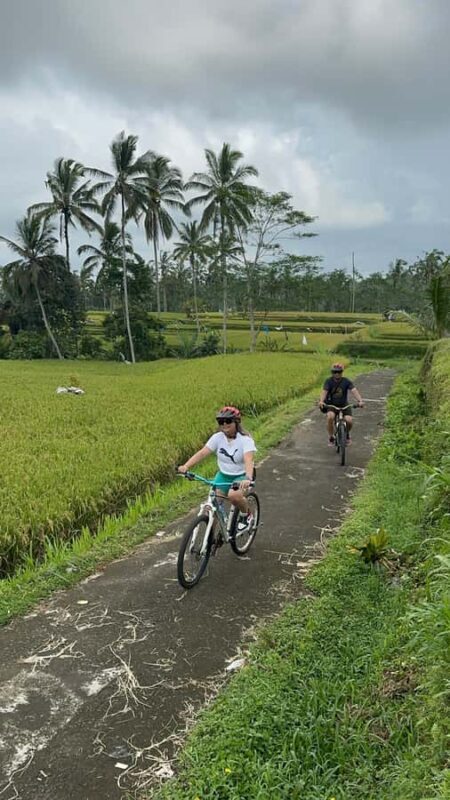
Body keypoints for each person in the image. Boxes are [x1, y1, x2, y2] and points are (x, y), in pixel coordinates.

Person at [177, 405, 256, 529]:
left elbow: (248, 459)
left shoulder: (245, 440)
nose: (224, 424)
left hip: (240, 475)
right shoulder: (217, 437)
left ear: (236, 422)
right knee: (212, 508)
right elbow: (203, 452)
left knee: (234, 496)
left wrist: (248, 477)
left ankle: (246, 515)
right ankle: (211, 542)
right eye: (221, 422)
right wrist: (186, 466)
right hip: (223, 476)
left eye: (228, 421)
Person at [319, 363, 364, 445]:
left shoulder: (346, 381)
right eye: (335, 372)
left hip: (344, 404)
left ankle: (346, 434)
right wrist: (321, 401)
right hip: (331, 405)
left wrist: (360, 401)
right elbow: (324, 391)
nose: (337, 374)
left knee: (349, 421)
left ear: (342, 372)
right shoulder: (328, 381)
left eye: (339, 372)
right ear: (332, 373)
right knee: (330, 417)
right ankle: (331, 437)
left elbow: (354, 391)